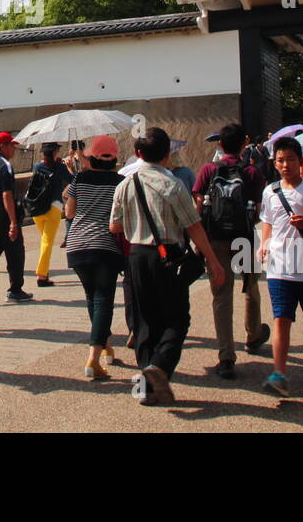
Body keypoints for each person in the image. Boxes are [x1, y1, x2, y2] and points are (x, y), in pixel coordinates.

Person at [111, 127, 226, 405]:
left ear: (138, 154)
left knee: (144, 321)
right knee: (176, 319)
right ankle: (159, 367)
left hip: (136, 255)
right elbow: (194, 226)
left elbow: (114, 225)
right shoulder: (173, 184)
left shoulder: (126, 183)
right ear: (167, 154)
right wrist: (213, 261)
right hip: (168, 255)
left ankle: (145, 388)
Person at [193, 122, 269, 379]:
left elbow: (199, 204)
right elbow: (260, 208)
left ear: (220, 144)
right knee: (251, 287)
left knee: (221, 295)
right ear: (244, 143)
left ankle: (226, 356)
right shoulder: (252, 172)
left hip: (215, 238)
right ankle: (254, 334)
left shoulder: (208, 169)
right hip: (245, 236)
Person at [258, 137, 303, 396]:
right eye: (280, 160)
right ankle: (279, 373)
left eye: (290, 159)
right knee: (281, 319)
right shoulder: (270, 191)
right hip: (279, 267)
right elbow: (267, 220)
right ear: (274, 163)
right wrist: (264, 243)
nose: (285, 164)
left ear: (300, 162)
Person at [62, 134, 125, 379]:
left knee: (92, 296)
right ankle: (93, 359)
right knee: (103, 300)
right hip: (105, 245)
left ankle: (105, 344)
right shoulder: (120, 182)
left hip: (77, 243)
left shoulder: (79, 178)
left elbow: (69, 212)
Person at [0, 132, 32, 302]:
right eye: (12, 146)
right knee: (15, 251)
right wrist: (13, 222)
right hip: (3, 215)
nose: (14, 150)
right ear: (3, 146)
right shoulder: (5, 166)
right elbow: (7, 195)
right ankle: (15, 288)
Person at [30, 142, 72, 288]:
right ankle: (42, 275)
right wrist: (68, 166)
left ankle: (45, 272)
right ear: (55, 152)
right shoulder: (60, 167)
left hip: (37, 208)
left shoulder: (37, 166)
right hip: (53, 208)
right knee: (47, 242)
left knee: (44, 240)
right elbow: (73, 180)